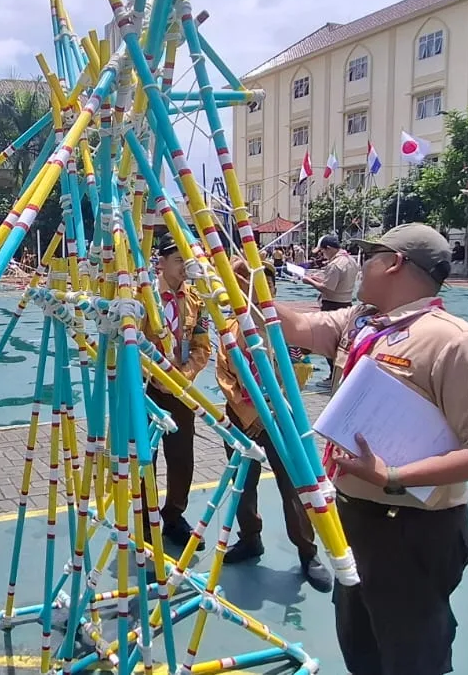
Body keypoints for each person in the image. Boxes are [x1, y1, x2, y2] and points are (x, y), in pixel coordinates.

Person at [272, 223, 468, 675]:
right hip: (356, 518)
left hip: (412, 528)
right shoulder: (361, 322)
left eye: (371, 255)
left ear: (393, 262)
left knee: (411, 655)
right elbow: (299, 326)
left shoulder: (454, 342)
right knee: (360, 644)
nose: (359, 264)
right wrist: (240, 279)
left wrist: (393, 476)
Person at [217, 263, 333, 592]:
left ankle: (307, 552)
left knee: (294, 487)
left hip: (282, 419)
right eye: (248, 287)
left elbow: (300, 370)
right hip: (242, 420)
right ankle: (250, 538)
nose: (256, 294)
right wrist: (249, 413)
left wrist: (271, 408)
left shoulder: (287, 332)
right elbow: (224, 376)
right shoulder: (228, 330)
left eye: (265, 286)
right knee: (243, 485)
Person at [143, 234, 212, 544]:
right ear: (161, 262)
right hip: (147, 388)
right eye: (178, 260)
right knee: (146, 455)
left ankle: (174, 514)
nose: (185, 266)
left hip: (181, 388)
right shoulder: (142, 296)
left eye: (187, 259)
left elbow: (201, 344)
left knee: (182, 456)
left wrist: (185, 375)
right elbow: (128, 342)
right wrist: (155, 374)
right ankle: (145, 516)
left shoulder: (195, 300)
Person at [300, 235, 359, 390]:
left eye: (323, 251)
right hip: (346, 303)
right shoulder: (350, 261)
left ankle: (333, 376)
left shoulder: (335, 265)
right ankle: (339, 375)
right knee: (343, 343)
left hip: (332, 305)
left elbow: (328, 289)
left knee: (328, 342)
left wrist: (310, 281)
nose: (322, 255)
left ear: (329, 249)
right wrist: (318, 279)